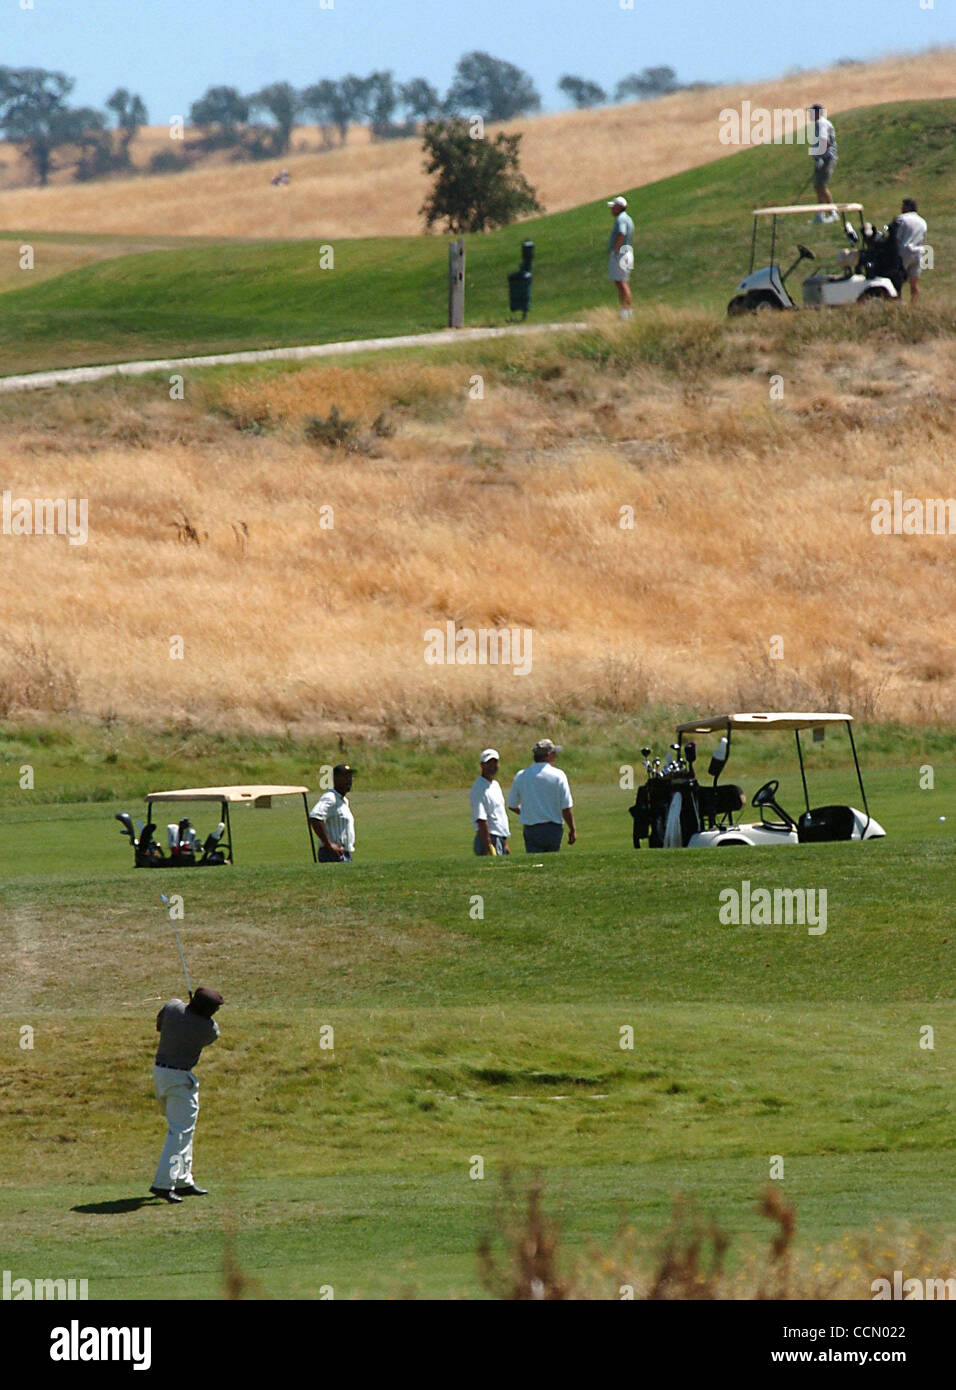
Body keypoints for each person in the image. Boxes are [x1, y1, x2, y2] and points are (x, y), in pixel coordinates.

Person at [150, 986, 223, 1204]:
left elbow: (159, 1025)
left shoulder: (172, 1007)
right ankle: (164, 1183)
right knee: (179, 1132)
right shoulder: (208, 1028)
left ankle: (182, 1179)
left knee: (184, 1130)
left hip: (160, 1074)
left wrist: (185, 1007)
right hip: (180, 1079)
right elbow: (212, 1033)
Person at [508, 738, 576, 853]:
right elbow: (566, 807)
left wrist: (528, 812)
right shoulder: (558, 775)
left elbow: (512, 804)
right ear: (548, 755)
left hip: (531, 828)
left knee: (534, 863)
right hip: (552, 828)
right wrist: (572, 829)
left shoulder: (521, 775)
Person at [309, 764, 356, 862]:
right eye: (345, 777)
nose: (349, 780)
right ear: (335, 779)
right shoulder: (330, 797)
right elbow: (315, 817)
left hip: (343, 853)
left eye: (350, 777)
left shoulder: (343, 800)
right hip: (332, 854)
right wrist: (329, 844)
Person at [469, 749, 510, 856]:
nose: (492, 766)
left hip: (499, 836)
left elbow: (499, 816)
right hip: (488, 838)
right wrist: (488, 846)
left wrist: (505, 843)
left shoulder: (495, 785)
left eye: (495, 762)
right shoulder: (479, 788)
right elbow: (481, 820)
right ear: (482, 765)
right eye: (489, 763)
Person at [606, 196, 635, 319]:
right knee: (623, 282)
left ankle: (626, 311)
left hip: (621, 252)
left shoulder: (621, 219)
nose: (611, 209)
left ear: (619, 207)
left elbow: (621, 233)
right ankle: (626, 310)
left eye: (613, 207)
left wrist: (615, 249)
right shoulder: (628, 218)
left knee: (621, 283)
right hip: (627, 251)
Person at [808, 104, 838, 220]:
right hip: (822, 158)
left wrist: (820, 157)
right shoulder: (817, 124)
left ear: (816, 113)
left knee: (822, 185)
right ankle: (820, 214)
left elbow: (824, 141)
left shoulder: (821, 123)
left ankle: (832, 213)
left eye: (811, 112)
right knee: (817, 185)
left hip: (827, 158)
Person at [893, 198, 927, 302]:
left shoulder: (902, 219)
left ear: (907, 207)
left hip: (904, 252)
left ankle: (898, 303)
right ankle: (913, 305)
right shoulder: (922, 222)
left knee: (897, 280)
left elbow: (896, 238)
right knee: (914, 283)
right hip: (917, 253)